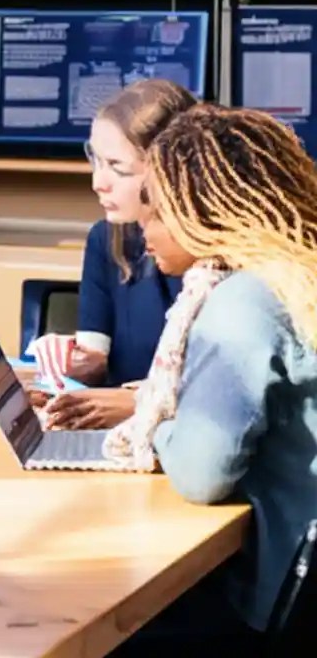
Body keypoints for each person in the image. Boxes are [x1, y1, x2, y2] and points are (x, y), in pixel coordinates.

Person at [104, 104, 317, 653]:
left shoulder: (246, 301)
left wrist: (164, 419)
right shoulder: (298, 271)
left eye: (157, 210)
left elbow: (203, 474)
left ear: (201, 210)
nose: (141, 226)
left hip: (291, 589)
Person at [29, 79, 195, 429]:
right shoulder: (107, 239)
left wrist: (140, 402)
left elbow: (226, 398)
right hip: (118, 437)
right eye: (96, 160)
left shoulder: (225, 265)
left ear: (169, 172)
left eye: (117, 167)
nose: (98, 183)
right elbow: (96, 358)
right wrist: (70, 363)